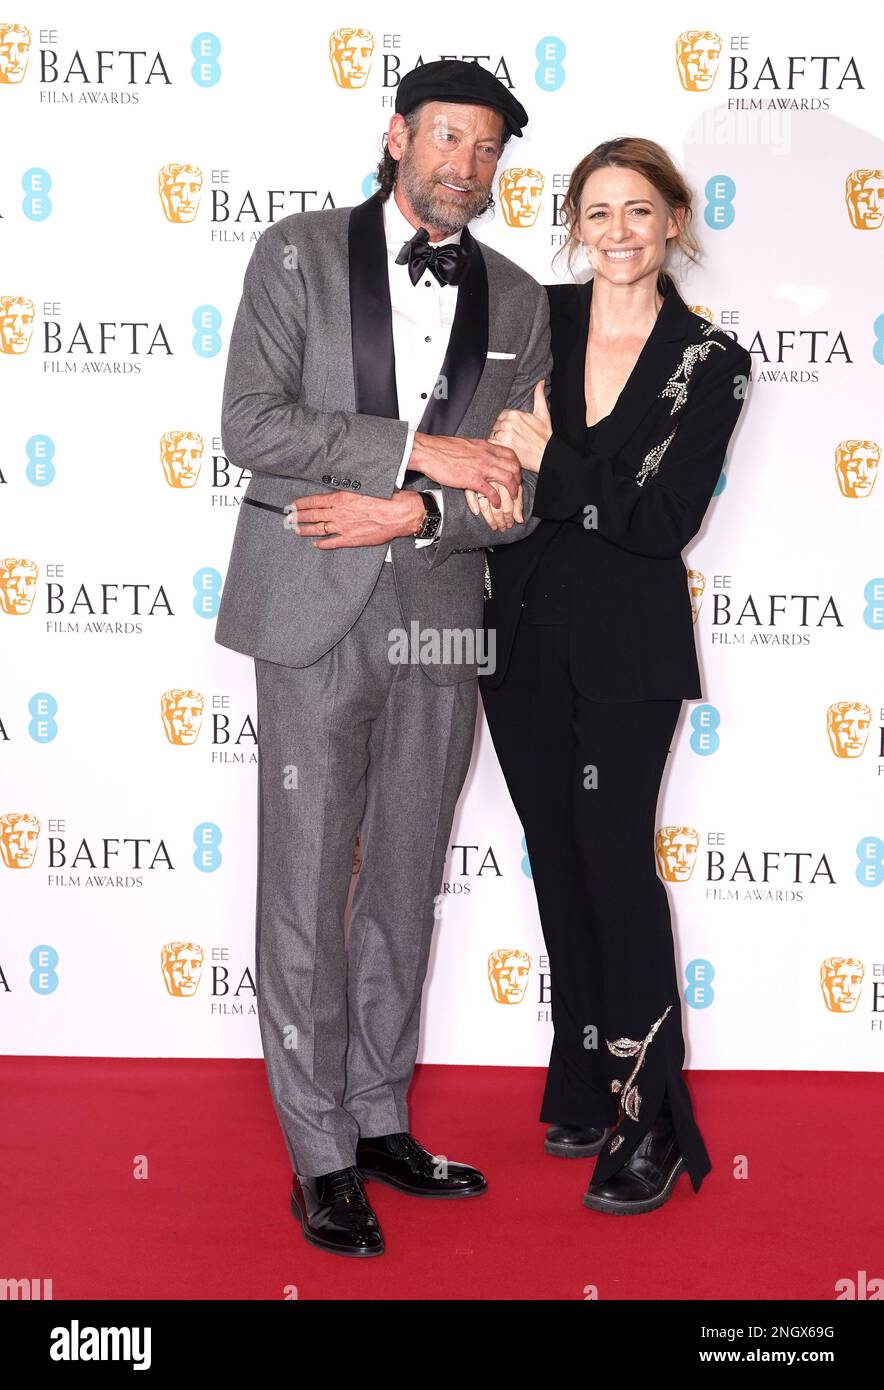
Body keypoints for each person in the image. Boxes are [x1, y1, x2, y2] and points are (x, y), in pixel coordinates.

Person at [214, 59, 552, 1257]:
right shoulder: (296, 251)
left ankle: (374, 1116)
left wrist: (412, 508)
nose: (464, 166)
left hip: (442, 606)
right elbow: (249, 424)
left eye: (487, 149)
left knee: (405, 872)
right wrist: (414, 450)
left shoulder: (516, 299)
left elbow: (512, 489)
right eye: (446, 138)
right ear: (398, 132)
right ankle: (315, 1150)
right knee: (305, 879)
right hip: (308, 596)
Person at [475, 138, 752, 1215]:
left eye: (639, 212)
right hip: (520, 632)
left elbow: (659, 518)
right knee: (556, 851)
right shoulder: (527, 319)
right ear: (572, 226)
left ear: (673, 220)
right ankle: (581, 1075)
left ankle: (648, 1116)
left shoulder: (709, 358)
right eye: (597, 214)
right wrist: (522, 481)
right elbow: (486, 451)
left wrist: (549, 468)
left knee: (612, 856)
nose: (618, 233)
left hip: (629, 647)